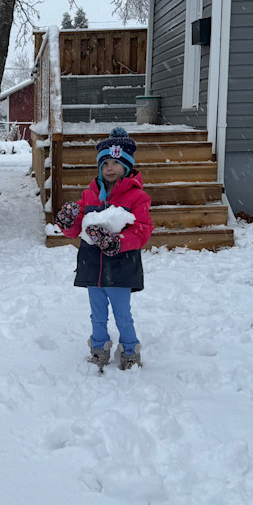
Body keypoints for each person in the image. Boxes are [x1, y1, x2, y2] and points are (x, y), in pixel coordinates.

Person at [54, 126, 154, 370]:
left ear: (127, 166)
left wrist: (118, 243)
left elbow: (142, 230)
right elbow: (77, 228)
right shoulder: (89, 196)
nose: (110, 168)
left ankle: (130, 350)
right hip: (92, 265)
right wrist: (67, 221)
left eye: (116, 163)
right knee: (96, 314)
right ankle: (99, 347)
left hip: (121, 266)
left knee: (122, 314)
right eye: (105, 163)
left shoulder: (136, 197)